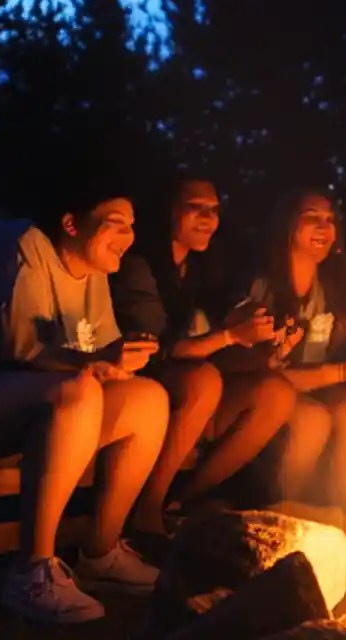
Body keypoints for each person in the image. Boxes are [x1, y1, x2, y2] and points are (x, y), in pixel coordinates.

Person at [0, 183, 167, 624]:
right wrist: (98, 363)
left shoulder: (95, 271)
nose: (127, 236)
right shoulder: (21, 246)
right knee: (78, 389)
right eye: (115, 223)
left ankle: (101, 552)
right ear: (70, 224)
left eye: (132, 225)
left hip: (20, 406)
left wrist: (118, 363)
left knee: (148, 398)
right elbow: (20, 350)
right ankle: (32, 570)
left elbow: (96, 358)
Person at [110, 177, 295, 536]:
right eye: (196, 208)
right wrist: (229, 335)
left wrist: (269, 337)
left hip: (191, 387)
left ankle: (183, 501)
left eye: (214, 210)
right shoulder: (139, 265)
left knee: (278, 393)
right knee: (203, 380)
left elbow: (230, 323)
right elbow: (162, 349)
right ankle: (145, 509)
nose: (208, 218)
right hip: (139, 380)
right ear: (169, 211)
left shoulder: (206, 266)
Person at [237, 188, 346, 507]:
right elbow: (269, 374)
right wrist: (343, 372)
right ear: (287, 227)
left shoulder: (334, 287)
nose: (324, 227)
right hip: (267, 391)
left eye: (330, 220)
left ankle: (342, 510)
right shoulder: (263, 288)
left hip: (317, 385)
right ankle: (286, 509)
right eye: (311, 218)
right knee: (312, 419)